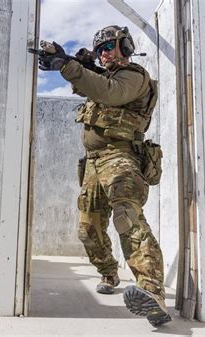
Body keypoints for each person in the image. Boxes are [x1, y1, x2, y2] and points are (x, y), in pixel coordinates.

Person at [36, 25, 171, 327]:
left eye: (110, 47)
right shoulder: (102, 77)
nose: (104, 54)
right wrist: (63, 58)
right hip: (94, 163)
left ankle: (152, 292)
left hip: (120, 157)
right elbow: (92, 82)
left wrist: (68, 66)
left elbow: (108, 92)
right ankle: (108, 272)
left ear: (126, 47)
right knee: (88, 229)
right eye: (100, 50)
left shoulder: (134, 77)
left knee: (127, 217)